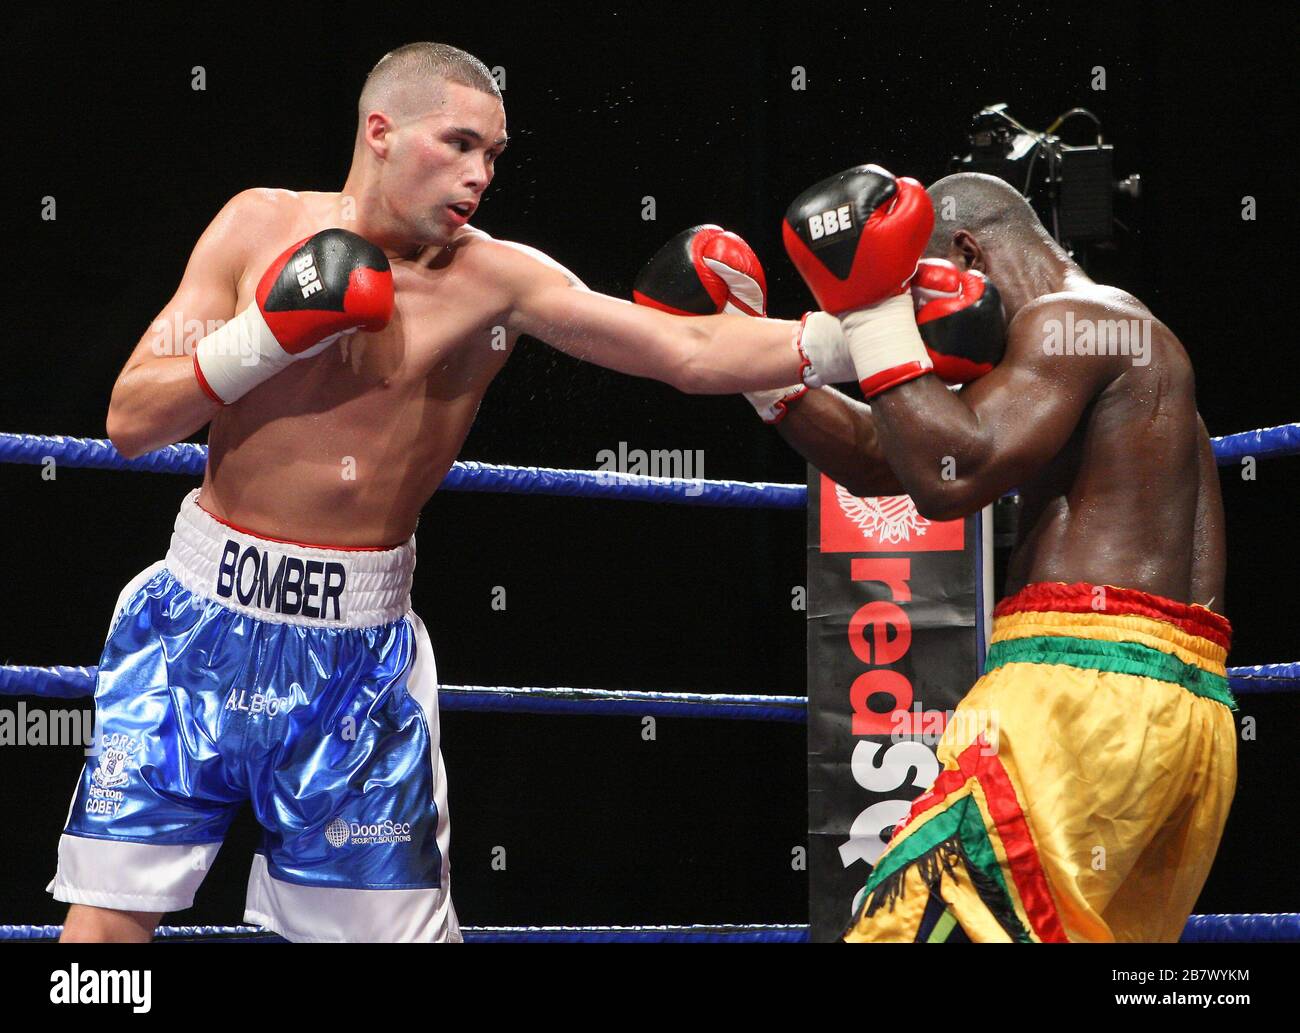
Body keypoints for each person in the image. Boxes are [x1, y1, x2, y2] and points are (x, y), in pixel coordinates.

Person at [48, 41, 852, 944]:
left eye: (494, 157)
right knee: (106, 932)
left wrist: (875, 336)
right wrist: (266, 335)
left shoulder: (497, 280)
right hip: (191, 627)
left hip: (353, 661)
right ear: (380, 131)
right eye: (459, 144)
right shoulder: (254, 224)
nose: (479, 177)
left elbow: (691, 353)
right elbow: (129, 419)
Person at [638, 166, 1235, 943]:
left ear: (965, 251)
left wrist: (869, 308)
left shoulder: (1070, 318)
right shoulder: (1110, 337)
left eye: (915, 275)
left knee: (909, 926)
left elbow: (957, 477)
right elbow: (892, 459)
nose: (918, 303)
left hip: (1079, 694)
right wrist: (761, 374)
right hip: (1181, 714)